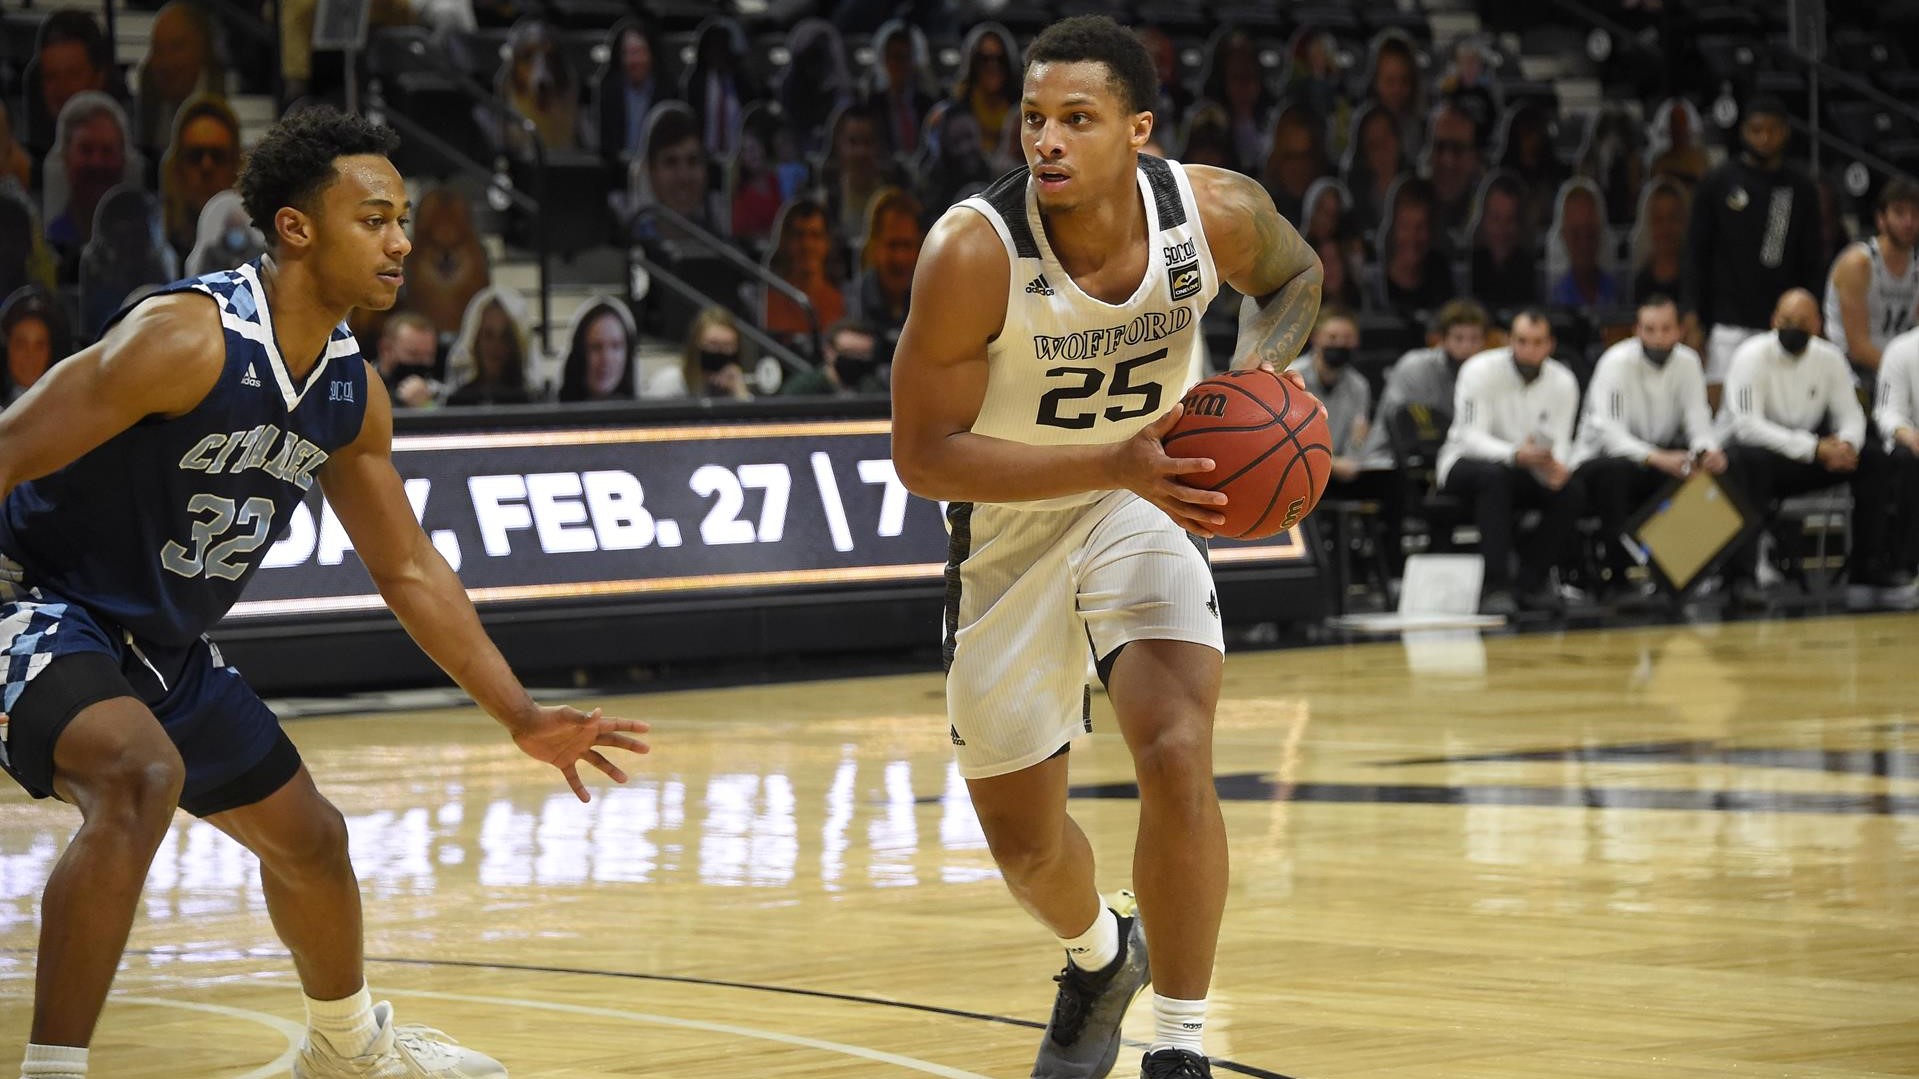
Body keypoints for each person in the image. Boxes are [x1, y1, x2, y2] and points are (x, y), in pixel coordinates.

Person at [0, 105, 646, 1079]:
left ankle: (345, 1049)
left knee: (312, 839)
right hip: (34, 597)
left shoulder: (350, 392)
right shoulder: (184, 338)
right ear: (296, 228)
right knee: (141, 776)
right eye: (375, 218)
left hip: (160, 644)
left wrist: (517, 712)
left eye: (403, 218)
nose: (401, 242)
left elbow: (408, 569)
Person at [890, 17, 1322, 1079]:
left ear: (1135, 130)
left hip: (1146, 496)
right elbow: (923, 455)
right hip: (1006, 533)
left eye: (1075, 120)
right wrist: (1105, 463)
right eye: (1032, 118)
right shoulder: (969, 253)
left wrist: (1259, 377)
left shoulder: (1207, 212)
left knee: (1174, 747)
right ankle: (1098, 955)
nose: (1045, 139)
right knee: (1027, 848)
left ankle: (1179, 1040)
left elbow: (1296, 274)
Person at [1719, 289, 1889, 607]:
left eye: (1801, 322)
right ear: (1773, 321)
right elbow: (1747, 427)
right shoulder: (1750, 355)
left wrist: (1847, 445)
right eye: (1786, 320)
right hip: (1762, 458)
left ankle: (1868, 569)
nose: (1793, 327)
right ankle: (1743, 578)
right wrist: (1815, 448)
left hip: (1809, 456)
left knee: (1875, 459)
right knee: (1746, 459)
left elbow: (1851, 415)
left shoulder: (1829, 358)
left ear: (1817, 325)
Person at [1570, 295, 1726, 599]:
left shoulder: (1688, 362)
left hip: (1656, 458)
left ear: (1679, 331)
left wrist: (1708, 451)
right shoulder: (1615, 362)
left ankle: (1683, 574)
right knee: (1617, 473)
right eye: (1650, 329)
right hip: (1599, 461)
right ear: (1636, 331)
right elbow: (1610, 436)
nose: (1658, 337)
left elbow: (1698, 421)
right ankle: (1618, 575)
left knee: (1709, 472)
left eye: (1666, 329)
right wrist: (1659, 458)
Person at [1437, 309, 1584, 614]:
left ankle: (1531, 582)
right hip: (1464, 464)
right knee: (1496, 477)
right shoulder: (1479, 370)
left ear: (1550, 345)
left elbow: (1563, 440)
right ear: (1509, 341)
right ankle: (1496, 586)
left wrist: (1559, 467)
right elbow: (1469, 437)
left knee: (1572, 491)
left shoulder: (1564, 381)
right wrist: (1514, 454)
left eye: (1537, 342)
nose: (1529, 349)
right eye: (1522, 341)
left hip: (1528, 469)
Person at [1685, 95, 1826, 405]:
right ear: (1744, 132)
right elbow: (1696, 252)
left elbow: (1813, 258)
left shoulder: (1799, 188)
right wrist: (1693, 316)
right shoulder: (1718, 182)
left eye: (1773, 130)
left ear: (1786, 132)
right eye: (1757, 129)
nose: (1765, 138)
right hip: (1727, 323)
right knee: (1723, 408)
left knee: (1781, 405)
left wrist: (1812, 315)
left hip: (1782, 326)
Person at [1358, 298, 1491, 468]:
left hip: (1457, 458)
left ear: (1485, 342)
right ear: (1442, 339)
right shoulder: (1415, 367)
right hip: (1393, 457)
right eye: (1458, 338)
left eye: (1474, 339)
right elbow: (1396, 425)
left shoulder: (1487, 374)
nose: (1467, 346)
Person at [1823, 178, 1919, 374]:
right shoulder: (1858, 263)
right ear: (1881, 219)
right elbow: (1857, 348)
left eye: (1915, 214)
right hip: (1850, 370)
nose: (1909, 222)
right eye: (1900, 213)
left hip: (1896, 368)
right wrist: (1904, 373)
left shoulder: (1916, 266)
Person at [1287, 307, 1370, 484]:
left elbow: (1357, 439)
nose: (1340, 344)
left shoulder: (1359, 386)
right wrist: (1332, 464)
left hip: (1339, 477)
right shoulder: (1292, 376)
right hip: (1295, 471)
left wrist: (1347, 461)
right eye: (1332, 337)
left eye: (1347, 338)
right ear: (1315, 337)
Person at [158, 95, 242, 260]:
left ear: (235, 167)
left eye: (218, 156)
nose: (206, 167)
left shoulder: (254, 253)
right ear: (178, 169)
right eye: (195, 156)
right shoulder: (158, 253)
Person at [1871, 327, 1919, 597]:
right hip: (1914, 444)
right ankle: (1907, 564)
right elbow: (1887, 411)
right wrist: (1908, 435)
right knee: (1905, 460)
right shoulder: (1901, 350)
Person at [761, 197, 846, 342]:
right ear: (785, 241)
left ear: (827, 243)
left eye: (815, 235)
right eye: (799, 235)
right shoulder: (764, 302)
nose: (807, 245)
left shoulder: (845, 302)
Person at [444, 286, 539, 406]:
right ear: (475, 340)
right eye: (488, 335)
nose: (496, 346)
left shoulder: (532, 401)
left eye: (505, 336)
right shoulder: (458, 400)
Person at [852, 186, 923, 334]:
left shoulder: (931, 304)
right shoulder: (850, 304)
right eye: (892, 245)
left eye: (907, 245)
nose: (900, 257)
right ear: (874, 246)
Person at [643, 305, 752, 400]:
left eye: (728, 346)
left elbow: (753, 421)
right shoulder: (670, 381)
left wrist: (739, 391)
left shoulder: (734, 384)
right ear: (696, 345)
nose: (720, 352)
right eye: (712, 344)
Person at [1468, 170, 1539, 310]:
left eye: (1510, 220)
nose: (1502, 230)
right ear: (1482, 220)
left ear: (1520, 224)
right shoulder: (1468, 269)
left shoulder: (1532, 273)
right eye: (1495, 218)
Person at [1546, 178, 1619, 310]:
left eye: (1590, 233)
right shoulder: (1553, 300)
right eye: (1576, 233)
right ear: (1564, 236)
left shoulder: (1620, 293)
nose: (1584, 244)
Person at [556, 295, 638, 402]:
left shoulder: (649, 416)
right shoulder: (550, 414)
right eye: (596, 347)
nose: (606, 358)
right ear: (579, 353)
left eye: (616, 346)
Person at [1, 285, 72, 406]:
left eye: (40, 345)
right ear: (6, 349)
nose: (30, 356)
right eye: (20, 345)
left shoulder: (69, 409)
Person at [780, 317, 883, 396]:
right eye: (849, 352)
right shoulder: (801, 389)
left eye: (864, 354)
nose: (856, 358)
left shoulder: (874, 388)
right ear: (828, 351)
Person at [375, 309, 441, 408]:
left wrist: (426, 405)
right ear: (386, 349)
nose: (423, 362)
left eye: (429, 355)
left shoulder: (437, 391)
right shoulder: (362, 385)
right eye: (413, 354)